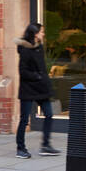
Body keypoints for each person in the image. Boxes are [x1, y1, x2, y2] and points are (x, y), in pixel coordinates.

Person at [15, 22, 59, 158]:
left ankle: (45, 145)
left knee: (49, 114)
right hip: (28, 88)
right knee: (24, 120)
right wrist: (37, 76)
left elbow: (43, 68)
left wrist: (45, 81)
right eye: (42, 31)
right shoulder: (26, 49)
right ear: (35, 34)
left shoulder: (39, 47)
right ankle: (20, 148)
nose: (43, 34)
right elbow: (23, 71)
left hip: (41, 88)